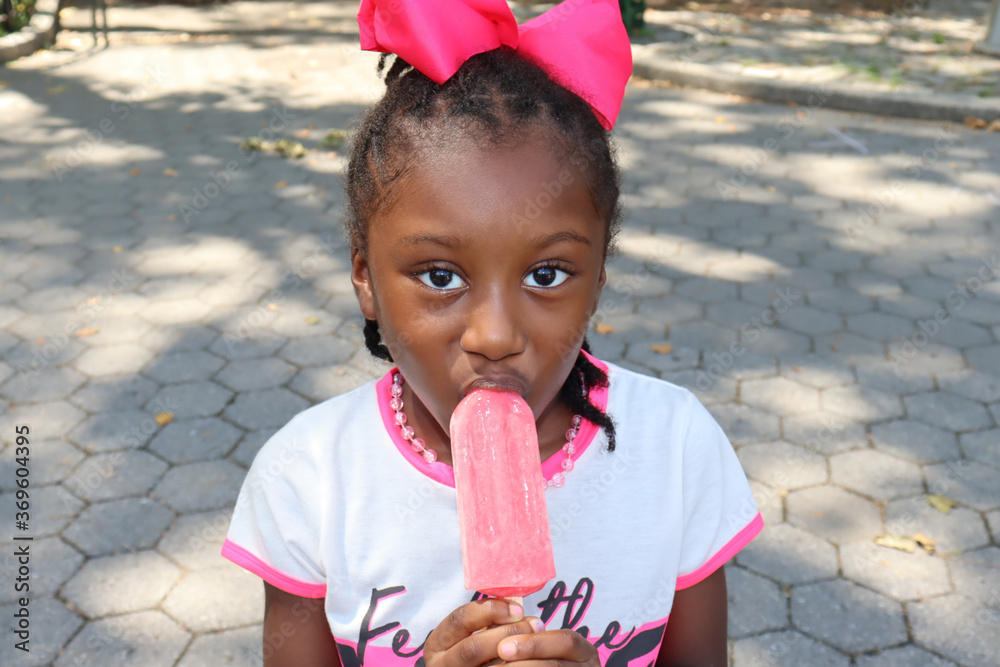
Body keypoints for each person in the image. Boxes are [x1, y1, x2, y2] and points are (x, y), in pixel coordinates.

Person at [222, 1, 763, 665]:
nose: (496, 334)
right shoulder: (307, 479)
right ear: (366, 279)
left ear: (597, 278)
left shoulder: (677, 451)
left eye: (546, 272)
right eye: (441, 277)